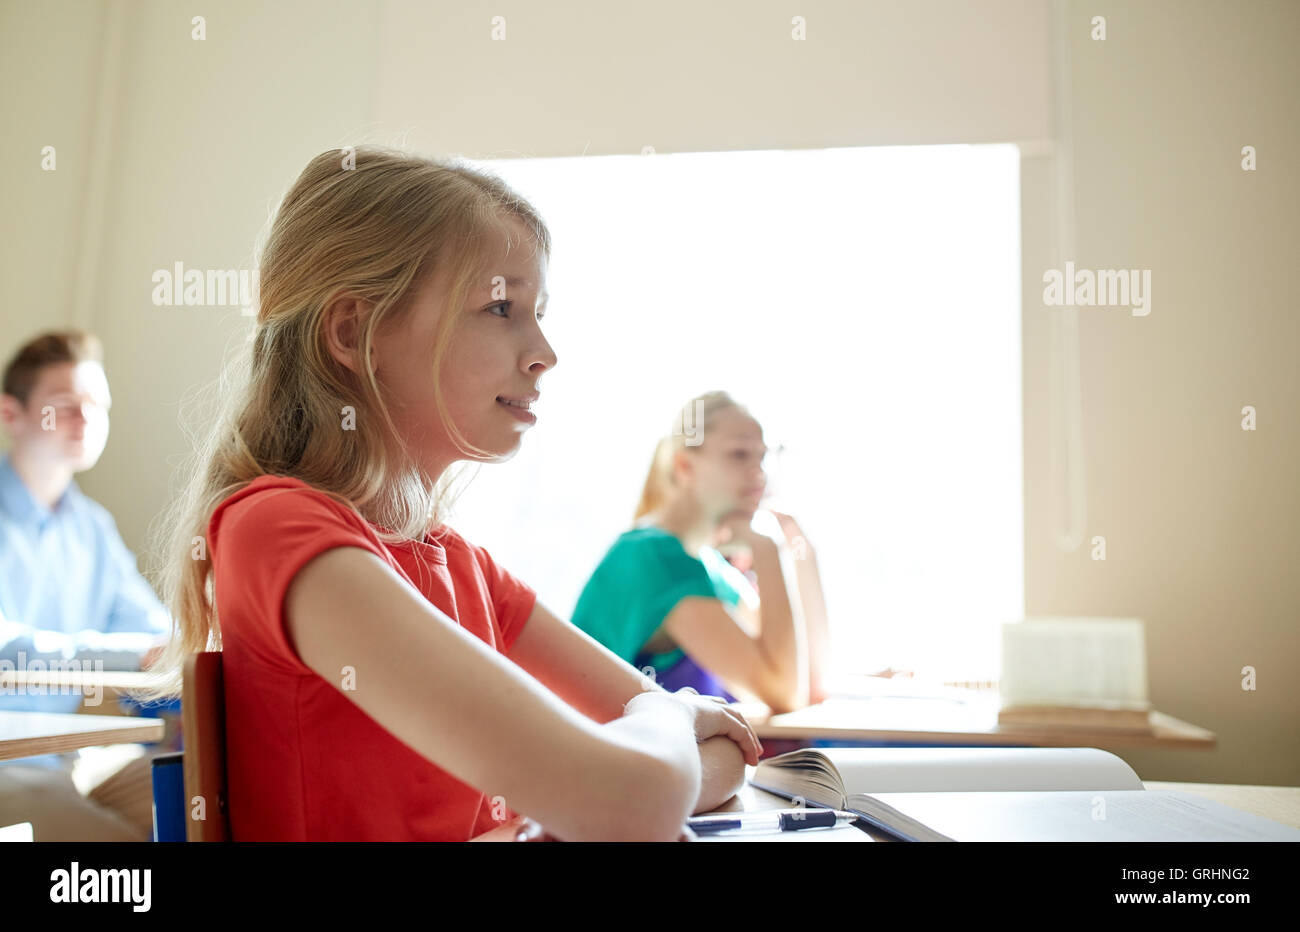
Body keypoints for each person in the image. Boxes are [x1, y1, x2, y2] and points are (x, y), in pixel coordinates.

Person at [139, 146, 761, 842]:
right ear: (356, 333)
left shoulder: (459, 562)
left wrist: (642, 765)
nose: (544, 352)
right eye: (501, 307)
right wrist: (666, 723)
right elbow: (634, 797)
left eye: (538, 311)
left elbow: (722, 756)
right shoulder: (279, 533)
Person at [0, 329, 172, 841]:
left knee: (204, 789)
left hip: (69, 762)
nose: (88, 419)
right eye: (66, 405)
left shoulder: (92, 527)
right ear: (11, 415)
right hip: (10, 764)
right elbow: (8, 649)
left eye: (99, 405)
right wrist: (137, 655)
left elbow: (155, 631)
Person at [571, 392, 837, 714]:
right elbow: (784, 694)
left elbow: (811, 683)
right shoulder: (656, 558)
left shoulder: (707, 566)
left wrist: (801, 550)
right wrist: (768, 548)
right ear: (684, 465)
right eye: (740, 455)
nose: (759, 473)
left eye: (762, 457)